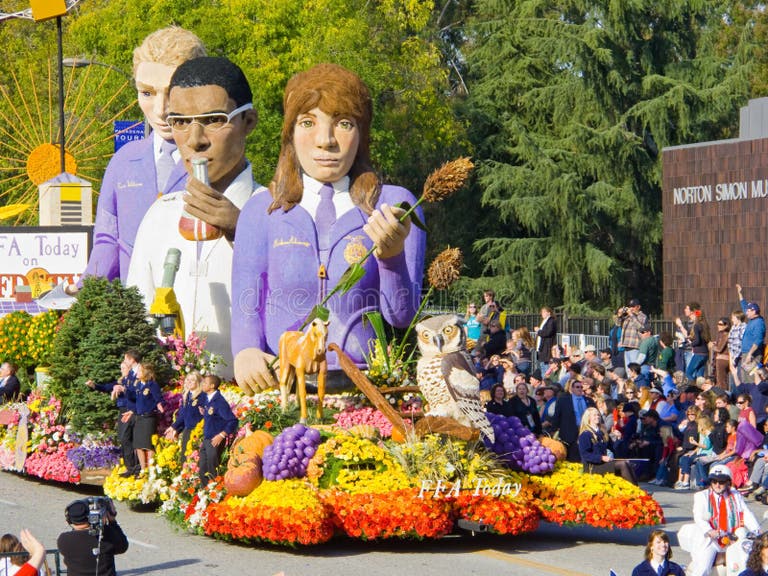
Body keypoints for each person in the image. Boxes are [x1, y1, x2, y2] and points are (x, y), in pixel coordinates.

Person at [231, 63, 426, 394]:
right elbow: (246, 302)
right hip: (284, 385)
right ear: (289, 133)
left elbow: (402, 316)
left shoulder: (394, 207)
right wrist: (246, 350)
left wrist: (392, 258)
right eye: (308, 122)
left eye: (344, 124)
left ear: (362, 134)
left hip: (364, 388)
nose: (325, 141)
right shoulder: (262, 210)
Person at [127, 56, 261, 377]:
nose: (195, 139)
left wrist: (244, 229)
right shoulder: (159, 216)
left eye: (214, 119)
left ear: (249, 121)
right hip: (168, 404)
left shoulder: (276, 212)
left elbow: (299, 308)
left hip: (255, 405)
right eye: (180, 122)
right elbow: (136, 319)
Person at [77, 27, 206, 284]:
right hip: (133, 316)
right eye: (147, 93)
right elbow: (108, 240)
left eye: (172, 92)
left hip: (198, 312)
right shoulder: (123, 162)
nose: (161, 110)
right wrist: (85, 291)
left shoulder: (219, 161)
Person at [678, 464, 759, 576]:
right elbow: (699, 517)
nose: (717, 485)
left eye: (721, 482)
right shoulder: (701, 496)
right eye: (714, 481)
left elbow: (746, 513)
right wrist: (709, 531)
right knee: (703, 568)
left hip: (732, 538)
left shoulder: (735, 495)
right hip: (711, 540)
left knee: (748, 562)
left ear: (727, 482)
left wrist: (756, 531)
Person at [86, 351, 141, 477]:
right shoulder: (121, 381)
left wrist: (123, 390)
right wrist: (94, 385)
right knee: (124, 438)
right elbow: (106, 387)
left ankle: (133, 467)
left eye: (124, 367)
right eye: (121, 368)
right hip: (122, 411)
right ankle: (130, 466)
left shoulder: (131, 380)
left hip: (129, 411)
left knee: (126, 438)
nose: (121, 370)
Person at [57, 499, 128, 576]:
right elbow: (123, 547)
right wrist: (112, 521)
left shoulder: (63, 539)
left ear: (68, 519)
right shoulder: (105, 533)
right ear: (90, 516)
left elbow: (78, 540)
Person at [578, 406, 637, 484]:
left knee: (627, 463)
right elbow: (585, 455)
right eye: (594, 415)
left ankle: (637, 491)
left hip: (603, 464)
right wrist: (601, 457)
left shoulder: (602, 433)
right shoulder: (585, 434)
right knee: (622, 464)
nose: (597, 417)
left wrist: (618, 439)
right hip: (592, 467)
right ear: (588, 418)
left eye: (598, 415)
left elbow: (613, 448)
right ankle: (635, 492)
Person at [199, 374, 237, 486]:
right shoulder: (208, 400)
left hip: (214, 440)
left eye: (205, 383)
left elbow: (232, 421)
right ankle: (204, 494)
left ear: (212, 386)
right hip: (207, 439)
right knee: (203, 469)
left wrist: (222, 435)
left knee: (212, 469)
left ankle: (215, 493)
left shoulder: (219, 402)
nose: (202, 384)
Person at [550, 378, 596, 462]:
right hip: (570, 433)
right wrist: (553, 429)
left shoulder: (589, 400)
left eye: (581, 387)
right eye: (577, 387)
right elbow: (557, 416)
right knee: (573, 458)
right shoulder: (563, 400)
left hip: (586, 431)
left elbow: (596, 413)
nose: (579, 389)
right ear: (572, 389)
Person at [164, 371, 205, 463]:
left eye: (192, 380)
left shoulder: (202, 396)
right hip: (187, 429)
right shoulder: (186, 396)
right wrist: (174, 428)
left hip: (198, 431)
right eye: (188, 380)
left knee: (194, 458)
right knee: (184, 456)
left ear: (198, 382)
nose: (189, 382)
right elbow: (182, 415)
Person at [131, 362, 164, 473]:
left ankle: (150, 469)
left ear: (146, 372)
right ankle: (143, 469)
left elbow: (158, 398)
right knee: (139, 445)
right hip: (139, 418)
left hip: (148, 418)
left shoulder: (152, 385)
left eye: (140, 371)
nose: (137, 373)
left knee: (148, 445)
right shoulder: (138, 384)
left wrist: (159, 405)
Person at [737, 284, 766, 382]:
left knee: (751, 380)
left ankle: (752, 397)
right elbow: (744, 305)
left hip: (753, 355)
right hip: (746, 353)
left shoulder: (758, 323)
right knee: (745, 380)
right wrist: (740, 293)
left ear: (754, 311)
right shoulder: (752, 318)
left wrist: (749, 354)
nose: (746, 313)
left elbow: (758, 340)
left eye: (749, 311)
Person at [615, 298, 648, 369]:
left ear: (638, 307)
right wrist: (619, 314)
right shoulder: (627, 316)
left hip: (635, 347)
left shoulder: (642, 316)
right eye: (630, 306)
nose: (631, 308)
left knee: (634, 370)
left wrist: (631, 315)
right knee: (628, 371)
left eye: (633, 306)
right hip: (626, 347)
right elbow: (617, 324)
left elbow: (641, 327)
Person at [534, 307, 557, 374]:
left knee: (545, 368)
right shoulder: (544, 321)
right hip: (542, 348)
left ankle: (546, 381)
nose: (542, 313)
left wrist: (538, 331)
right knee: (542, 366)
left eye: (544, 312)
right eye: (542, 312)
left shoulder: (551, 321)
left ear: (549, 313)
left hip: (546, 348)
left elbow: (548, 332)